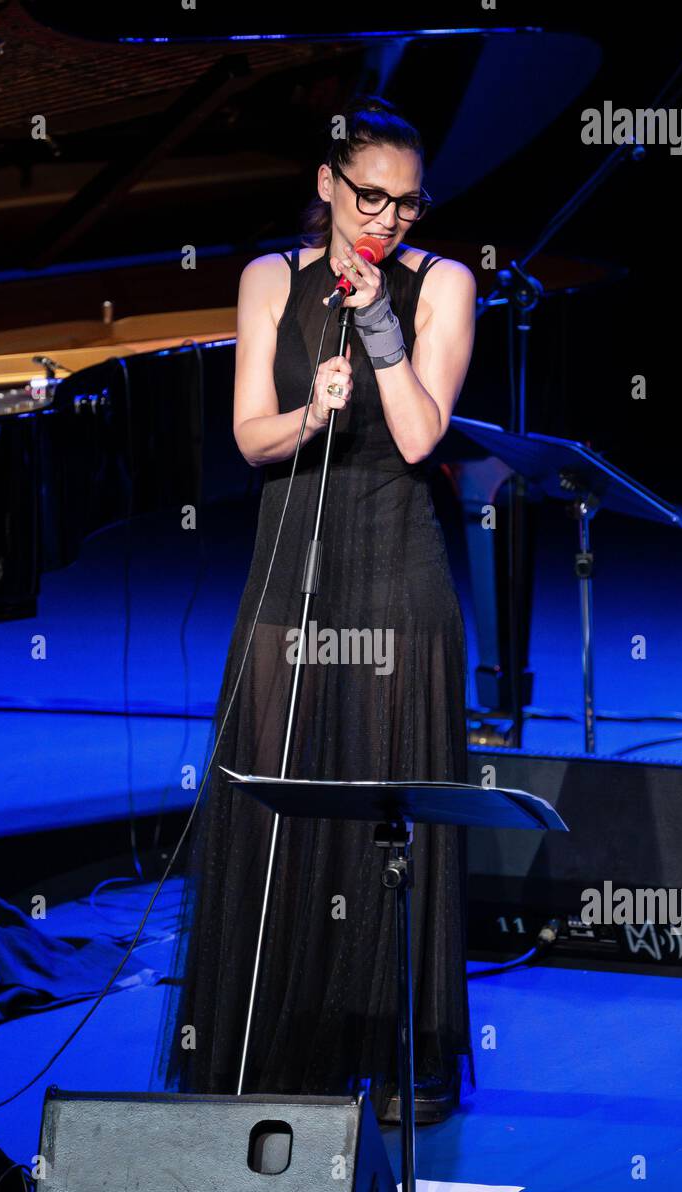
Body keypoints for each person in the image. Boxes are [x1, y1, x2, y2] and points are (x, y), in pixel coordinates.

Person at [152, 96, 478, 1124]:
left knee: (387, 803)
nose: (385, 220)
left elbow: (424, 438)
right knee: (277, 788)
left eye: (407, 205)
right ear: (329, 184)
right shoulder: (264, 282)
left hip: (397, 572)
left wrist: (380, 327)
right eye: (368, 196)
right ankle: (277, 1028)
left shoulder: (444, 286)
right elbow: (251, 439)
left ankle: (397, 1048)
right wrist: (309, 412)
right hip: (291, 565)